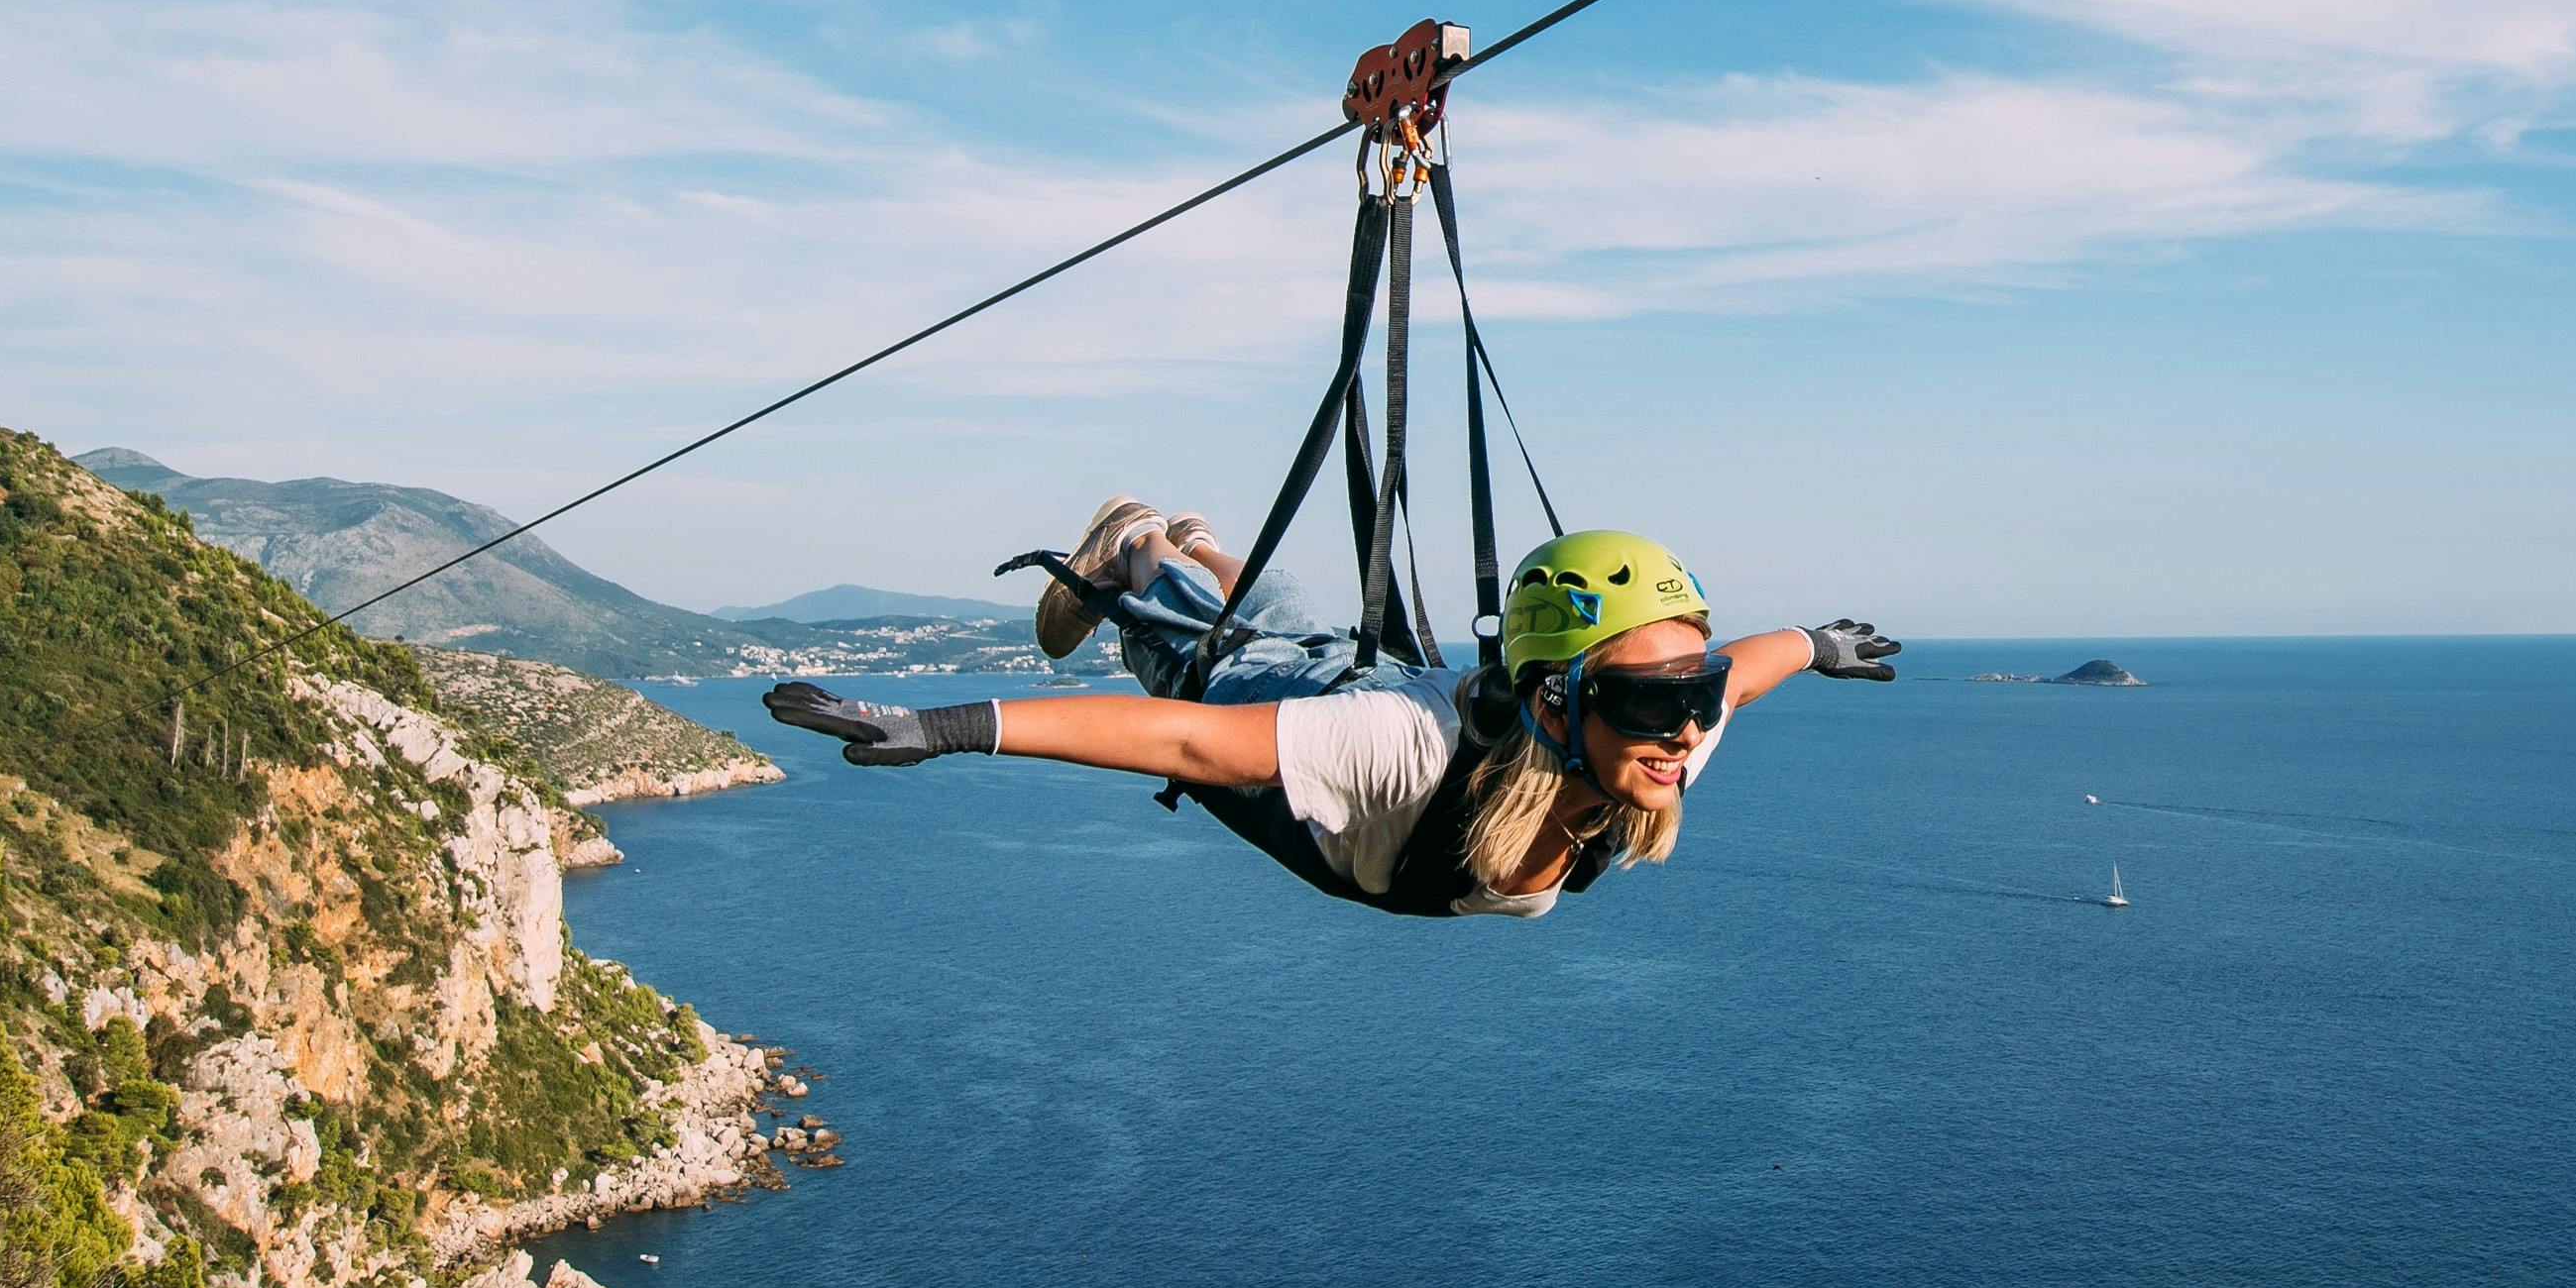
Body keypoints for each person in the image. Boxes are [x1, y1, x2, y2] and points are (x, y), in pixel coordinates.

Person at [760, 497, 1898, 916]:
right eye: (1657, 701)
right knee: (1201, 663)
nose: (1688, 727)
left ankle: (1200, 539)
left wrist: (1818, 643)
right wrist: (943, 729)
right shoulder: (1403, 754)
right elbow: (1185, 739)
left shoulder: (1655, 745)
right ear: (1559, 699)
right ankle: (1141, 547)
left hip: (1379, 690)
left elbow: (1738, 667)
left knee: (1298, 632)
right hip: (1363, 719)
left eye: (1689, 698)